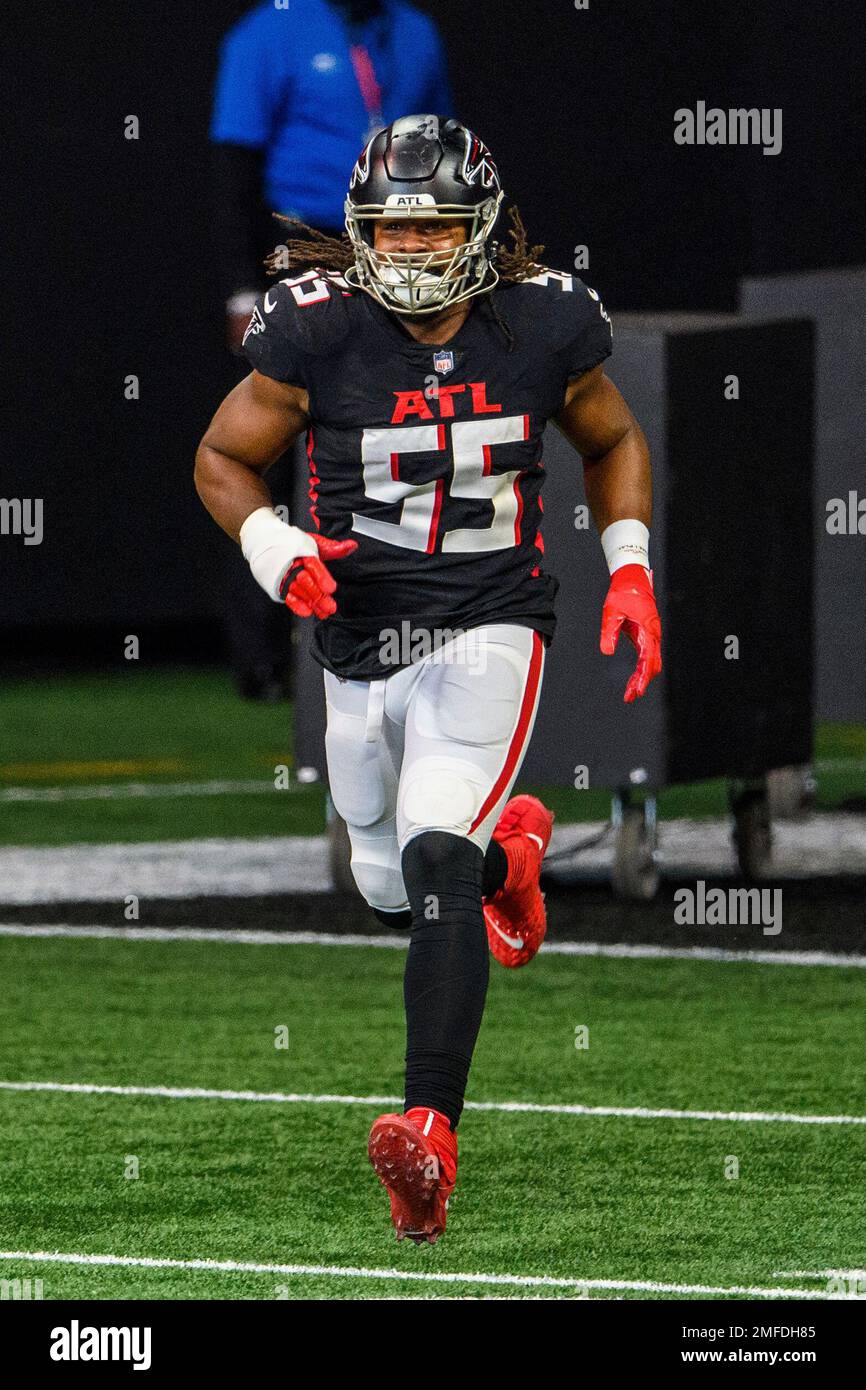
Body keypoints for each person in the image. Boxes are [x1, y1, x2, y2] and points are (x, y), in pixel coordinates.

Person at [195, 114, 662, 1244]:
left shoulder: (543, 318)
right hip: (357, 639)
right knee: (388, 888)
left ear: (478, 227)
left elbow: (608, 439)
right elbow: (221, 458)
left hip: (488, 621)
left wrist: (630, 566)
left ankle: (428, 1135)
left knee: (430, 855)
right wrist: (276, 549)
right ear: (360, 231)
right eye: (390, 228)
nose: (407, 249)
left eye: (431, 226)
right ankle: (517, 855)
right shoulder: (313, 329)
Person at [210, 2, 452, 697]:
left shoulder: (414, 31)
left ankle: (400, 629)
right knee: (270, 444)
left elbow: (449, 153)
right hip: (299, 245)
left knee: (398, 432)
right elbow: (234, 166)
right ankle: (261, 655)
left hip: (399, 246)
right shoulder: (268, 33)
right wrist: (239, 287)